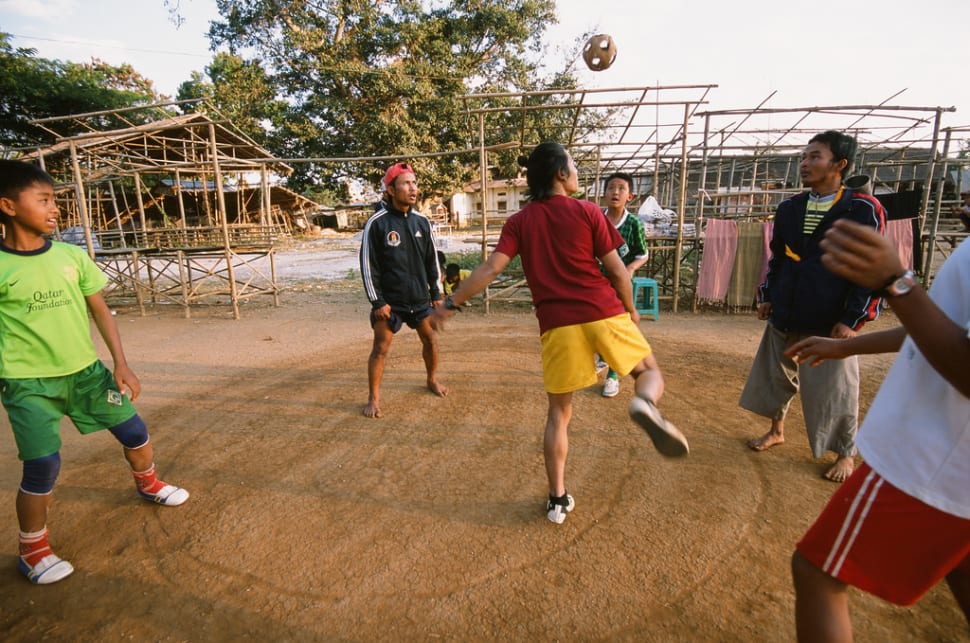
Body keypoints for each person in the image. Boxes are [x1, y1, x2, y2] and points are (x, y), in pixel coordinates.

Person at [430, 142, 687, 525]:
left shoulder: (519, 222)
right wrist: (631, 312)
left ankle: (556, 500)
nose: (578, 172)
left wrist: (449, 304)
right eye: (574, 165)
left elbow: (490, 270)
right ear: (562, 175)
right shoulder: (587, 212)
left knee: (558, 415)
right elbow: (618, 271)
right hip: (603, 311)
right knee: (648, 371)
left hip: (557, 326)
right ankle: (645, 403)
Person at [0, 160, 189, 585]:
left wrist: (121, 364)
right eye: (43, 200)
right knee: (43, 465)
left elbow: (101, 311)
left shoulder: (71, 256)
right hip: (28, 385)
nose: (55, 210)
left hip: (88, 375)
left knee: (135, 433)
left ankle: (149, 483)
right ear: (8, 206)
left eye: (56, 200)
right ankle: (32, 549)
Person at [786, 219, 969, 641]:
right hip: (951, 469)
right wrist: (846, 346)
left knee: (819, 573)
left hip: (936, 465)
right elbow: (942, 327)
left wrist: (895, 281)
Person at [739, 130, 886, 482]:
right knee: (778, 376)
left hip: (831, 318)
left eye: (815, 156)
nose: (805, 163)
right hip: (788, 309)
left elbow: (872, 268)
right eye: (804, 156)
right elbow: (779, 258)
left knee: (835, 389)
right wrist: (768, 295)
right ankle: (777, 429)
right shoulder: (790, 207)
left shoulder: (863, 208)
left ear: (840, 164)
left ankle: (845, 453)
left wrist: (853, 319)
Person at [360, 162, 447, 418]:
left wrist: (436, 295)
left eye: (414, 183)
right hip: (390, 303)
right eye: (406, 183)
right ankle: (373, 398)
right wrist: (378, 302)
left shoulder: (422, 222)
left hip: (419, 300)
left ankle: (431, 379)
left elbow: (432, 261)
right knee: (381, 348)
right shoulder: (376, 223)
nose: (413, 188)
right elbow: (368, 265)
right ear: (390, 189)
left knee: (430, 340)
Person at [599, 171, 649, 398]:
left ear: (630, 196)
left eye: (621, 188)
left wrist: (629, 269)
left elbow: (643, 254)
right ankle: (602, 357)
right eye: (610, 188)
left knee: (618, 329)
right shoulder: (596, 218)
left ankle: (613, 375)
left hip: (620, 286)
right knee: (597, 326)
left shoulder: (634, 224)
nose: (615, 192)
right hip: (595, 285)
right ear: (604, 193)